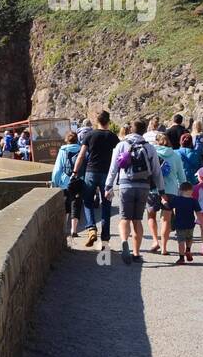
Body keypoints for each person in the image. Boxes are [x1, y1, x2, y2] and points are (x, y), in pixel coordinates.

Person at [105, 118, 164, 264]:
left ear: (131, 129)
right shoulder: (150, 147)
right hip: (144, 186)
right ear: (144, 131)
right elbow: (157, 171)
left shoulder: (122, 145)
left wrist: (108, 186)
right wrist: (162, 191)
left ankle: (125, 241)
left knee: (125, 218)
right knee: (137, 220)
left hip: (126, 185)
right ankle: (136, 253)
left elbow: (113, 168)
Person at [73, 110, 120, 248]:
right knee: (106, 204)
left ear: (97, 121)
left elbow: (81, 156)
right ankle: (105, 239)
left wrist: (75, 171)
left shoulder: (89, 135)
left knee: (87, 200)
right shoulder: (112, 137)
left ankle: (91, 228)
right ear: (108, 121)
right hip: (107, 174)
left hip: (91, 172)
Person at [149, 130, 183, 254]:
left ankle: (155, 241)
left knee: (151, 216)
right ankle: (164, 247)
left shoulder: (152, 153)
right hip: (171, 190)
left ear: (156, 142)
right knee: (166, 220)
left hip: (153, 189)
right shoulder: (175, 155)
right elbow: (182, 176)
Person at [52, 131, 83, 237]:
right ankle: (74, 230)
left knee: (66, 205)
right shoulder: (81, 150)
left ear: (66, 140)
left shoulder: (63, 150)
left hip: (65, 182)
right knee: (76, 204)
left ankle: (64, 228)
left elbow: (57, 169)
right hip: (78, 180)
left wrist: (55, 182)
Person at [169, 181, 200, 264]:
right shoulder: (194, 201)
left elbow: (169, 207)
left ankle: (181, 258)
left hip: (179, 224)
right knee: (189, 238)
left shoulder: (177, 199)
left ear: (181, 190)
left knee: (181, 241)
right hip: (190, 224)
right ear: (191, 191)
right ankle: (188, 250)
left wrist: (164, 202)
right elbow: (198, 212)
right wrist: (201, 221)